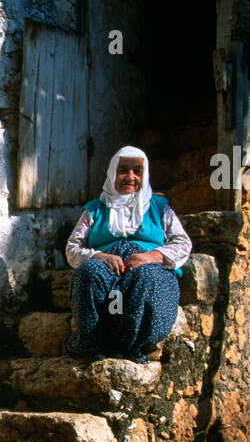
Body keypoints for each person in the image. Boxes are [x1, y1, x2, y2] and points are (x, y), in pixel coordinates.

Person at [65, 145, 192, 362]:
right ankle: (94, 341)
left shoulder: (159, 207)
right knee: (89, 272)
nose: (130, 177)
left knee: (147, 278)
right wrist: (99, 256)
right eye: (123, 170)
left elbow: (182, 242)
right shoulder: (95, 209)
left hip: (147, 267)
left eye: (137, 171)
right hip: (108, 270)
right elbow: (72, 248)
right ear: (112, 172)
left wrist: (151, 257)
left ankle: (133, 344)